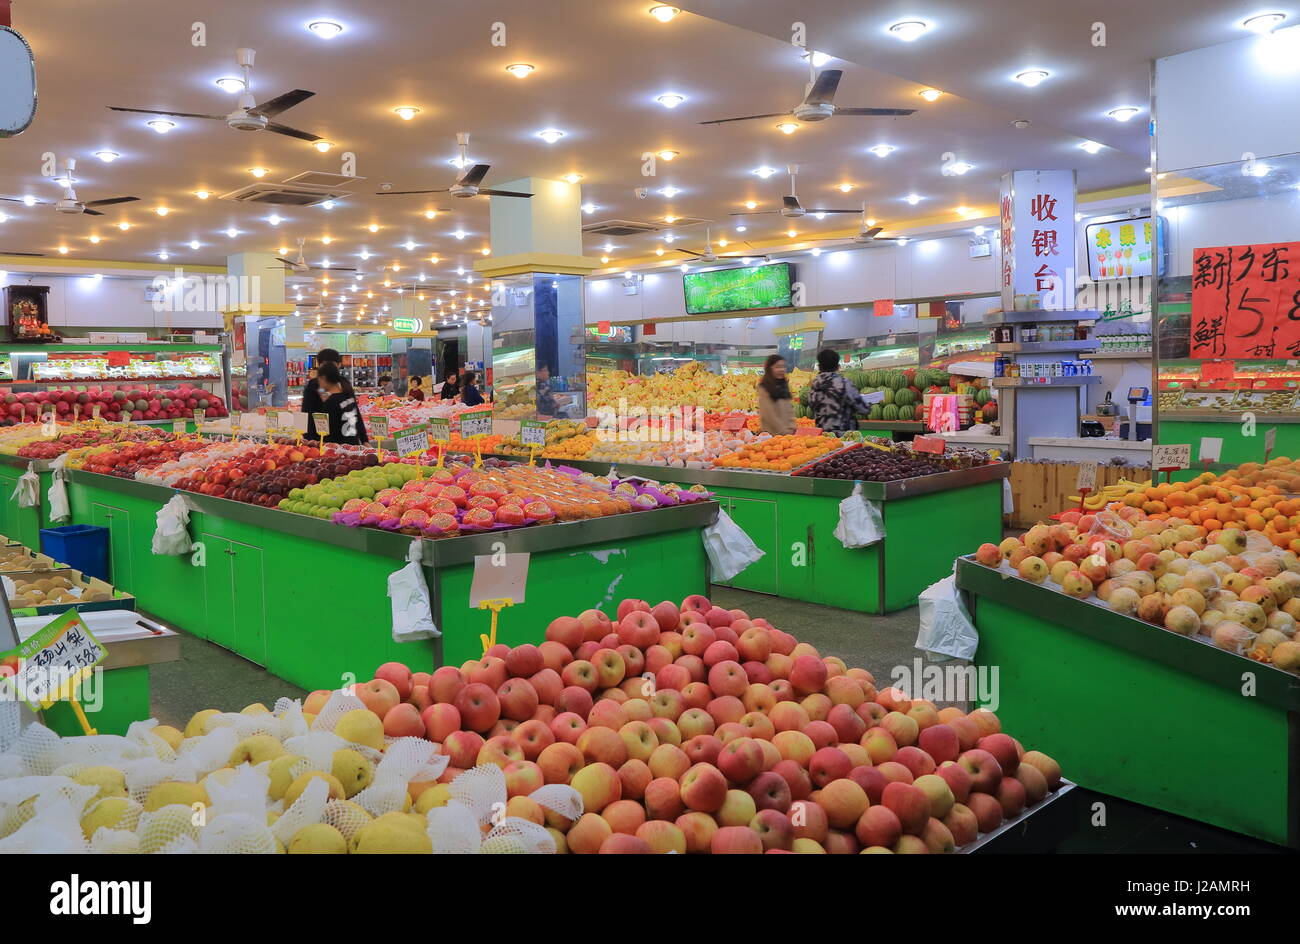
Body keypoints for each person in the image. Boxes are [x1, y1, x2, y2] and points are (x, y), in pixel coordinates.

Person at [808, 349, 875, 434]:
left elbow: (812, 408)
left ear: (819, 367)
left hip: (823, 438)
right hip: (845, 436)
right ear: (838, 366)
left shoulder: (814, 386)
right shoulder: (844, 384)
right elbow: (864, 409)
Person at [315, 362, 368, 445]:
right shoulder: (347, 395)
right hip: (353, 445)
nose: (318, 383)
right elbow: (357, 417)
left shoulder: (331, 401)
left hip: (339, 449)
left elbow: (328, 433)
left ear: (323, 378)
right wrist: (364, 440)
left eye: (318, 379)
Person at [301, 348, 341, 441]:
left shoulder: (343, 383)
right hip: (318, 435)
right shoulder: (315, 384)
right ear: (320, 365)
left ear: (339, 365)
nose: (329, 369)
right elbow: (307, 411)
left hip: (339, 434)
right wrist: (308, 437)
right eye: (326, 365)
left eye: (332, 365)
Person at [755, 354, 796, 435]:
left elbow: (789, 409)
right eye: (777, 367)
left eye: (783, 367)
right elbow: (769, 414)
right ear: (770, 369)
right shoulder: (764, 387)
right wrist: (784, 431)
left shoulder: (784, 386)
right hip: (772, 436)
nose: (781, 369)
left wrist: (792, 426)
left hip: (787, 436)